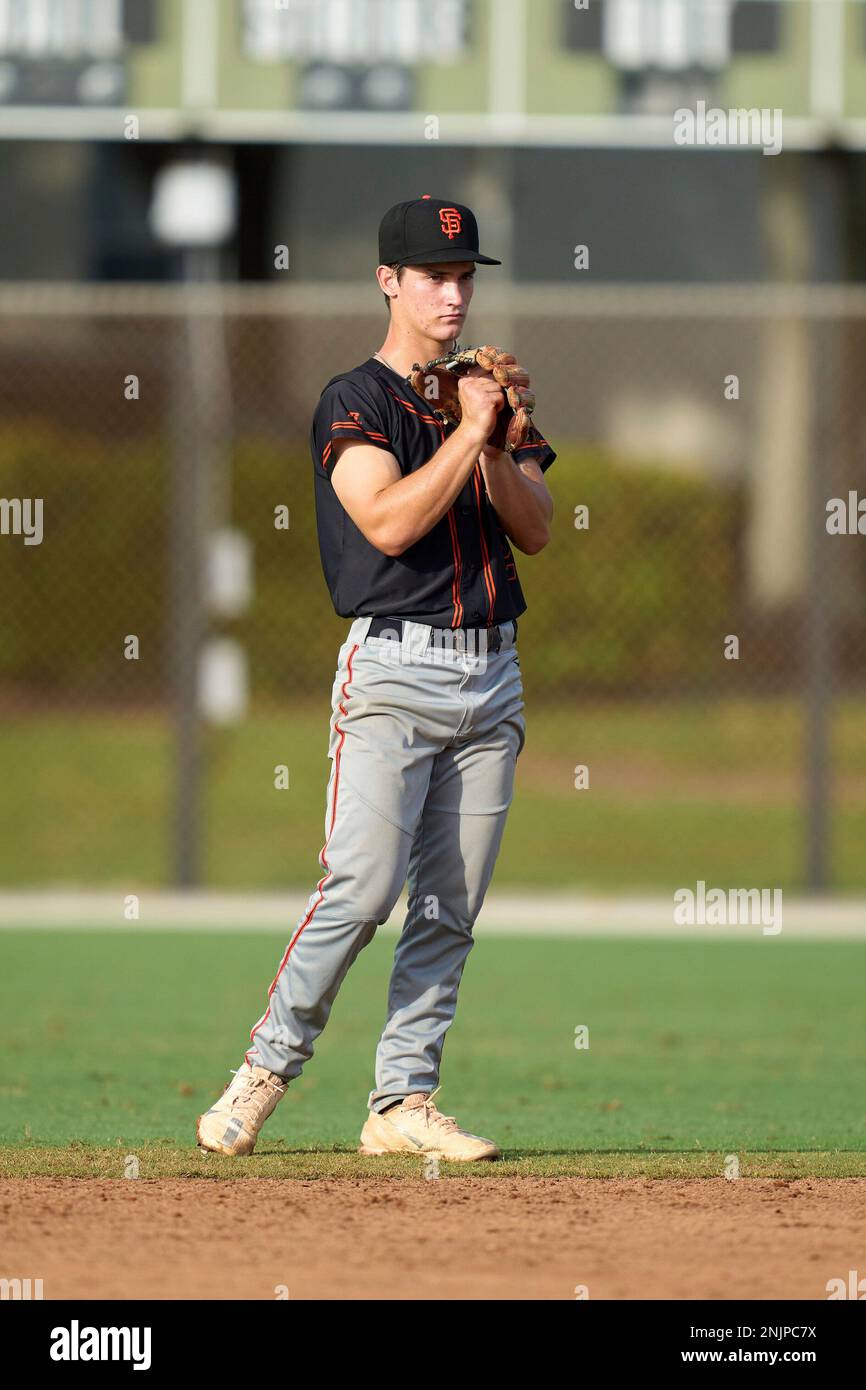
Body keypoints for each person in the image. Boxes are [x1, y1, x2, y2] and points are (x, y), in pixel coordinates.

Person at [197, 195, 556, 1161]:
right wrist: (465, 431)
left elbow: (536, 525)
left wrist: (489, 433)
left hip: (493, 678)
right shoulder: (353, 398)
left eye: (465, 274)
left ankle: (402, 1101)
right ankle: (265, 1070)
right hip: (395, 667)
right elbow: (390, 523)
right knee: (361, 888)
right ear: (389, 280)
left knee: (449, 907)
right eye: (434, 274)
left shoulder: (484, 390)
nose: (454, 291)